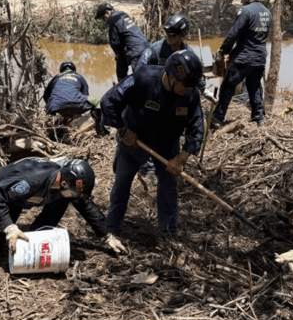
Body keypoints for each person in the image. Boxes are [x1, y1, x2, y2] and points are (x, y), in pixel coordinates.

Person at [99, 50, 205, 238]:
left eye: (191, 86)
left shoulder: (190, 94)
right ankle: (111, 229)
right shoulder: (143, 78)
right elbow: (108, 101)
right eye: (185, 85)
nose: (188, 89)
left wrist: (182, 157)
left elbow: (197, 129)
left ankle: (169, 233)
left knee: (168, 188)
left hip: (167, 146)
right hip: (134, 142)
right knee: (122, 183)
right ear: (171, 77)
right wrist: (123, 130)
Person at [0, 157, 126, 262]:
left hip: (15, 198)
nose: (75, 198)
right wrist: (9, 227)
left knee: (64, 198)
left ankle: (36, 236)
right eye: (74, 193)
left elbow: (85, 205)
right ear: (64, 182)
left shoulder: (63, 182)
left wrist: (107, 235)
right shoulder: (31, 180)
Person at [211, 0, 271, 129]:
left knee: (228, 86)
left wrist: (222, 51)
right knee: (255, 87)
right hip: (260, 58)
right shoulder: (267, 12)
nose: (241, 0)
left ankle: (217, 119)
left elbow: (233, 34)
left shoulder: (246, 11)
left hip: (243, 58)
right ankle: (259, 120)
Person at [136, 13, 208, 92]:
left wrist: (204, 91)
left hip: (178, 92)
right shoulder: (154, 50)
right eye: (167, 34)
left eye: (173, 35)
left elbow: (197, 77)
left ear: (184, 35)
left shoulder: (189, 54)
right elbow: (138, 73)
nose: (169, 37)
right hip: (155, 90)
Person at [42, 61, 108, 137]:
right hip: (76, 103)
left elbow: (46, 96)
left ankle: (54, 131)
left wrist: (51, 108)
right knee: (97, 102)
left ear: (61, 70)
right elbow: (85, 94)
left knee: (52, 106)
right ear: (74, 69)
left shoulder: (56, 78)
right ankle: (101, 131)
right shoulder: (79, 77)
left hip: (55, 107)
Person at [95, 2, 148, 81]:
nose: (104, 20)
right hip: (145, 44)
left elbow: (114, 41)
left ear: (107, 13)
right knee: (142, 73)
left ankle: (122, 83)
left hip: (135, 50)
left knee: (139, 78)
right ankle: (123, 82)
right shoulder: (122, 14)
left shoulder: (112, 20)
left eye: (103, 18)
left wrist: (117, 53)